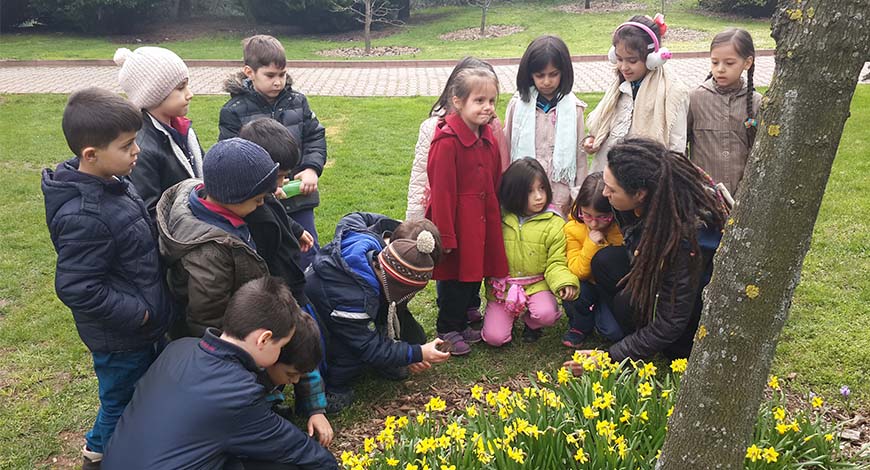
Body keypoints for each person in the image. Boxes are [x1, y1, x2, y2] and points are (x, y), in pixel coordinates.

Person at [41, 88, 175, 469]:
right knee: (119, 398)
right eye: (128, 145)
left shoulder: (115, 182)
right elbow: (77, 286)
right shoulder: (83, 215)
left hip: (141, 324)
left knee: (141, 392)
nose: (137, 152)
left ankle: (135, 444)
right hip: (121, 336)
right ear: (91, 154)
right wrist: (140, 315)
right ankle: (98, 455)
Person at [103, 277, 338, 469]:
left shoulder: (180, 347)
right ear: (264, 339)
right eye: (280, 346)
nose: (279, 354)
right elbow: (294, 447)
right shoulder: (239, 394)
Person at [566, 137, 727, 369]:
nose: (604, 193)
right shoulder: (644, 190)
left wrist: (611, 358)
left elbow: (672, 320)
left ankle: (663, 345)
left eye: (611, 189)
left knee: (629, 305)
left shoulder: (686, 236)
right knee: (605, 261)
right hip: (658, 273)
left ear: (640, 194)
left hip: (693, 307)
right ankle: (639, 334)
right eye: (604, 182)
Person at [238, 118, 331, 445]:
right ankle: (275, 400)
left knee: (306, 344)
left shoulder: (266, 198)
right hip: (279, 293)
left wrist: (295, 230)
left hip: (293, 285)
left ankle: (314, 404)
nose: (281, 187)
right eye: (277, 179)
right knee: (287, 349)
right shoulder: (253, 212)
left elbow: (280, 216)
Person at [305, 213, 451, 414]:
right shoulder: (353, 299)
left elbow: (355, 217)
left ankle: (386, 360)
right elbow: (366, 346)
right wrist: (417, 353)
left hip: (351, 308)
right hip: (324, 318)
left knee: (405, 340)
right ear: (393, 289)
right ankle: (335, 388)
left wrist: (408, 354)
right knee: (350, 349)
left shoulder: (377, 257)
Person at [406, 56, 509, 325]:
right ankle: (449, 326)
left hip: (482, 218)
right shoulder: (447, 141)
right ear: (458, 101)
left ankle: (468, 309)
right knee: (454, 276)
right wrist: (446, 236)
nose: (487, 108)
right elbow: (442, 192)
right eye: (479, 101)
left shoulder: (487, 136)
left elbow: (494, 178)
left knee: (477, 269)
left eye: (491, 101)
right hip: (458, 221)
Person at [219, 35, 326, 268]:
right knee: (271, 257)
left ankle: (310, 299)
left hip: (299, 198)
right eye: (270, 75)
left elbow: (315, 136)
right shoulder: (233, 111)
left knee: (308, 252)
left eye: (282, 74)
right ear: (249, 72)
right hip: (260, 204)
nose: (278, 82)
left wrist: (311, 168)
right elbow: (232, 157)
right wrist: (264, 188)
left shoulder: (298, 102)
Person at [157, 138, 278, 337]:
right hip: (228, 335)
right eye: (257, 199)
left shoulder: (211, 202)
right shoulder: (209, 254)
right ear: (233, 197)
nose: (262, 204)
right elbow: (206, 317)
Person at [481, 158, 578, 346]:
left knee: (547, 314)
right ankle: (505, 315)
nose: (539, 196)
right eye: (530, 191)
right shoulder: (498, 218)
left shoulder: (554, 222)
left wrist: (564, 282)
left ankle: (532, 323)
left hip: (537, 284)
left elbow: (556, 262)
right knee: (495, 338)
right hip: (503, 287)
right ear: (513, 192)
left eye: (542, 188)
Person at [583, 14, 689, 172]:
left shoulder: (674, 92)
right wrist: (593, 139)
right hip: (609, 175)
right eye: (619, 59)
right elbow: (605, 123)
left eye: (632, 61)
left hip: (647, 179)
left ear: (652, 59)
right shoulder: (619, 85)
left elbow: (676, 146)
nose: (624, 67)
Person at [114, 46, 203, 220]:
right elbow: (151, 211)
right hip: (176, 238)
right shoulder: (142, 148)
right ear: (153, 93)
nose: (189, 94)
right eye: (180, 88)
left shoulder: (182, 130)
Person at [504, 35, 588, 216]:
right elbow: (507, 145)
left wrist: (578, 195)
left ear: (564, 72)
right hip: (524, 188)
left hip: (560, 192)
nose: (547, 82)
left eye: (553, 74)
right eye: (540, 75)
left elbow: (580, 157)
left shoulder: (574, 109)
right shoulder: (517, 106)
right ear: (529, 74)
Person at [688, 28, 762, 196]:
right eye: (715, 62)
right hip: (702, 197)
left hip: (744, 197)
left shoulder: (757, 103)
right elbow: (679, 146)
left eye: (729, 63)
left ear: (747, 62)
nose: (720, 69)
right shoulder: (694, 99)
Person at [561, 172, 625, 348]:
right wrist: (591, 243)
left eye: (602, 217)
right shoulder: (573, 229)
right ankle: (580, 325)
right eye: (587, 215)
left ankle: (599, 315)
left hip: (610, 287)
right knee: (574, 289)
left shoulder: (620, 229)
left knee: (612, 332)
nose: (594, 223)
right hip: (586, 285)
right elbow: (577, 270)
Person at [263, 314, 333, 448]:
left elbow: (308, 373)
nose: (295, 381)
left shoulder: (293, 344)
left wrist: (316, 411)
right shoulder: (246, 380)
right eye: (291, 374)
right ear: (272, 356)